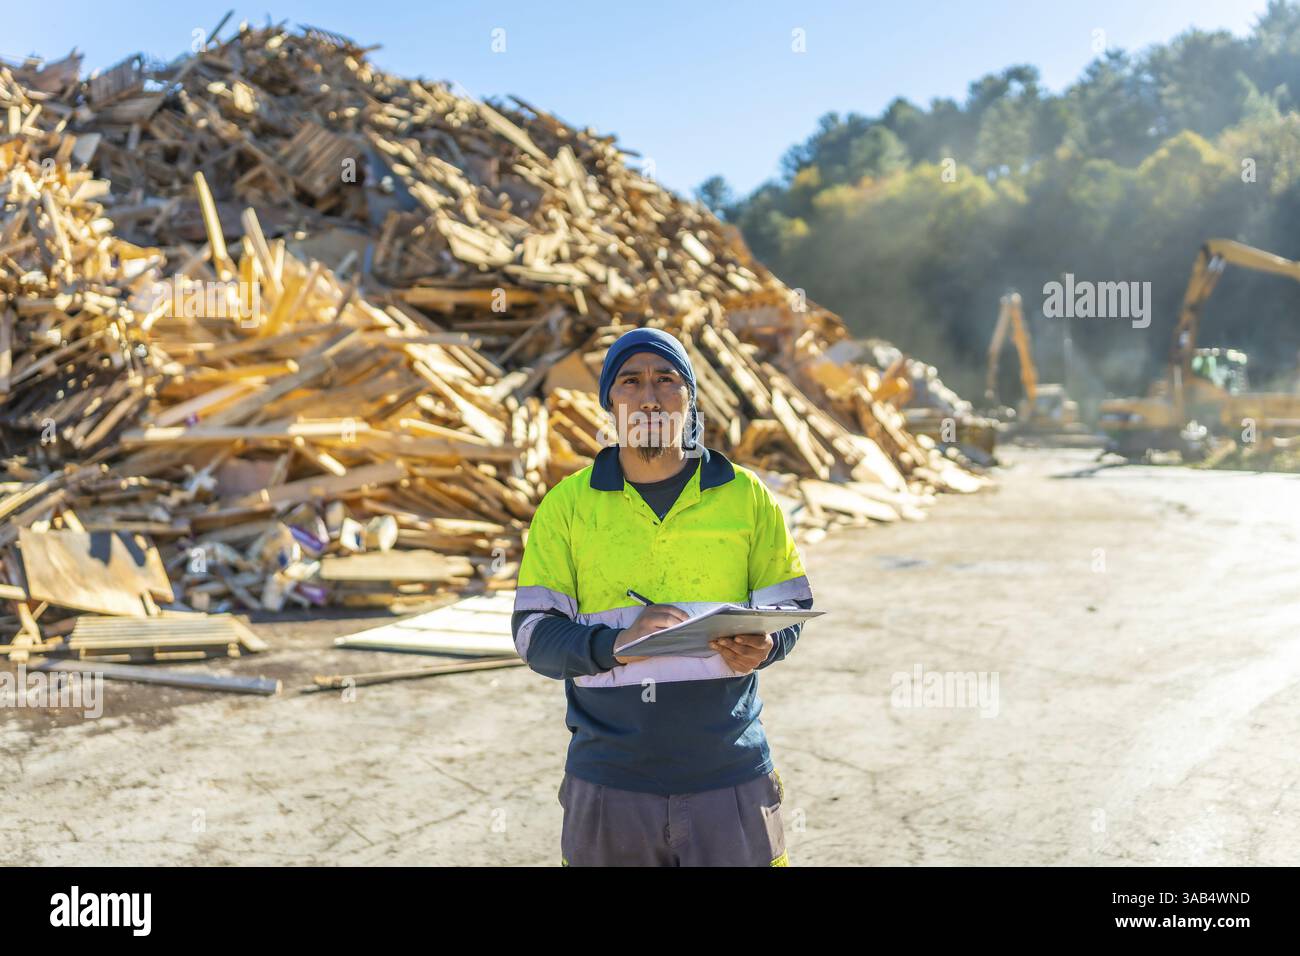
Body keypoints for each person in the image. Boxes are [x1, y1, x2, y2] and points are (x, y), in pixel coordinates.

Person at [511, 326, 814, 866]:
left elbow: (790, 609)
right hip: (610, 783)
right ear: (610, 403)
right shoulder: (567, 508)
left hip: (730, 774)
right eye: (630, 381)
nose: (649, 396)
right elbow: (535, 636)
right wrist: (616, 645)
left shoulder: (746, 497)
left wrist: (767, 644)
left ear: (690, 399)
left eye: (666, 380)